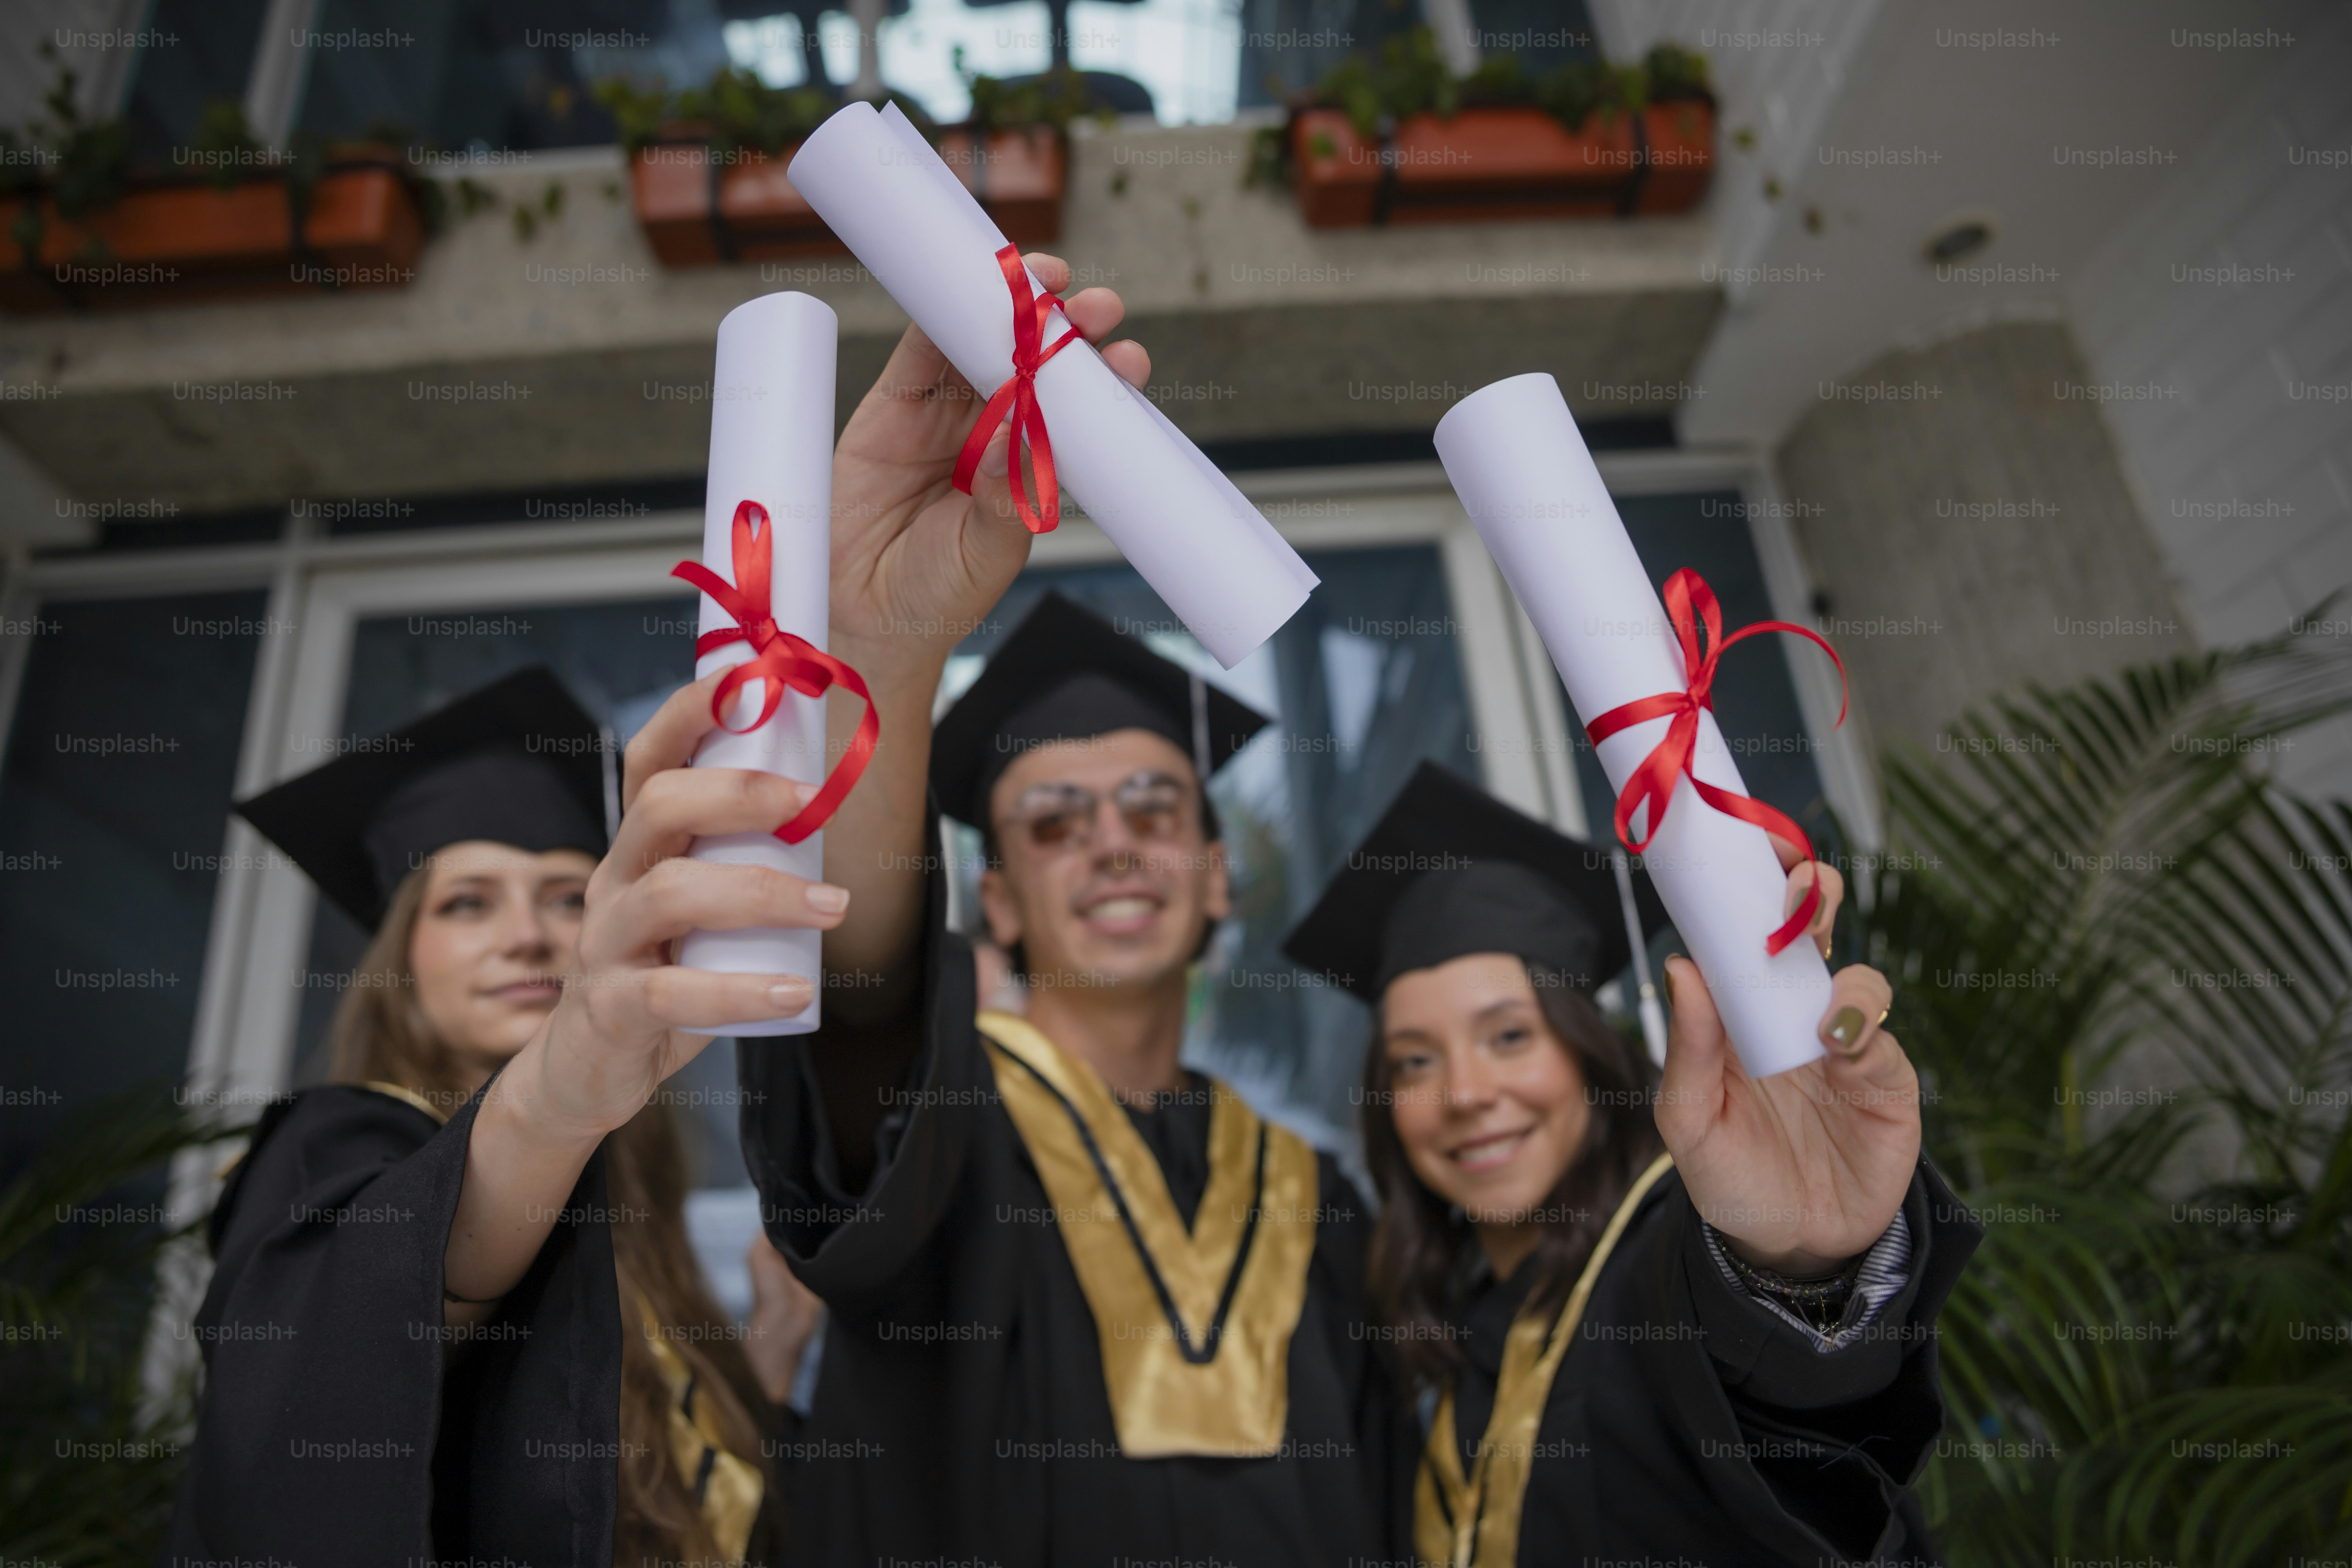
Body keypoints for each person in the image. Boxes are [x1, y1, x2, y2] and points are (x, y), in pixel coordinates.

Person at [641, 590, 1410, 1565]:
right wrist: (886, 648)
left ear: (1216, 873)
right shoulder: (933, 1141)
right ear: (994, 901)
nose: (1112, 843)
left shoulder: (1320, 1200)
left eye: (1153, 807)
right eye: (1053, 824)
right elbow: (870, 1000)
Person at [168, 666, 825, 1565]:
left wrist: (772, 1356)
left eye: (566, 897)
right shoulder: (332, 1146)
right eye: (468, 901)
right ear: (403, 958)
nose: (528, 934)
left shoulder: (631, 1212)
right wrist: (551, 1107)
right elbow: (334, 1371)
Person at [1281, 761, 1981, 1565]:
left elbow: (1799, 1427)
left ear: (1591, 1055)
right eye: (1411, 1062)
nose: (1463, 1092)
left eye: (1509, 1035)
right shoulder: (1442, 1349)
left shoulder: (1668, 1273)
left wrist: (1801, 1265)